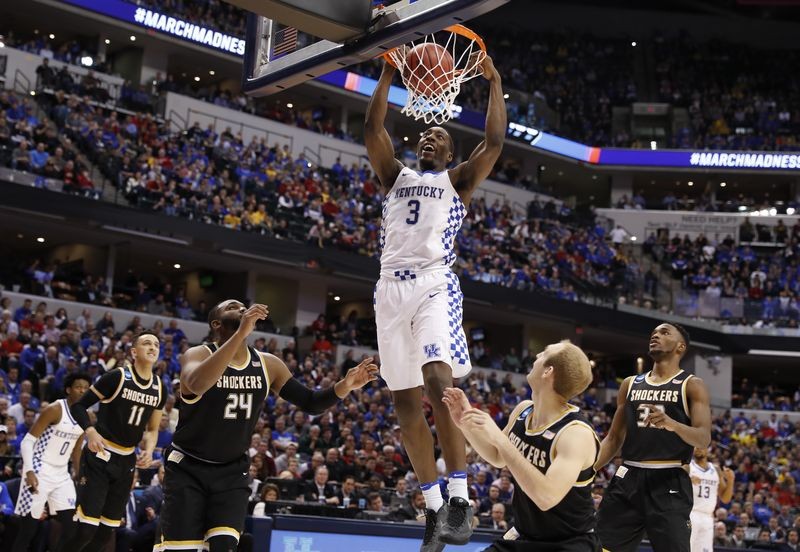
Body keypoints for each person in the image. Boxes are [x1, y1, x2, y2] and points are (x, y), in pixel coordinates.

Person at [364, 50, 506, 552]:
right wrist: (388, 72)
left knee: (438, 381)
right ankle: (433, 507)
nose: (430, 137)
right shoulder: (394, 176)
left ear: (450, 154)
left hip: (433, 284)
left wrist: (493, 82)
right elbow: (372, 128)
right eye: (426, 134)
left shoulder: (457, 181)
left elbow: (494, 141)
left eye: (440, 137)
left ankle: (462, 498)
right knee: (404, 403)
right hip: (389, 288)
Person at [155, 300, 377, 551]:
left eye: (242, 306)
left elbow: (311, 402)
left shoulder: (268, 364)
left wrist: (345, 386)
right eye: (231, 307)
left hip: (232, 472)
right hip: (188, 467)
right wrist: (240, 335)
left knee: (224, 545)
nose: (241, 308)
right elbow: (196, 384)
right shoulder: (197, 354)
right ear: (216, 324)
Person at [443, 340, 600, 551]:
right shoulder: (524, 409)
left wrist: (500, 438)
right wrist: (465, 424)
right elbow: (497, 456)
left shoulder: (576, 433)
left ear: (548, 371)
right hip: (525, 536)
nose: (537, 356)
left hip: (569, 543)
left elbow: (546, 497)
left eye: (544, 353)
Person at [595, 323, 712, 552]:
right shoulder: (630, 384)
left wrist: (672, 424)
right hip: (628, 475)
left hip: (669, 479)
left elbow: (703, 438)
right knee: (600, 548)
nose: (656, 335)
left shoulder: (692, 385)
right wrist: (587, 471)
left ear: (680, 347)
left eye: (664, 332)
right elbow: (614, 438)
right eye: (654, 333)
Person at [65, 331, 166, 552]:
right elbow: (79, 406)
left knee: (105, 533)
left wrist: (149, 450)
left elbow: (152, 429)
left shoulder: (160, 387)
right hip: (100, 455)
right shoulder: (117, 377)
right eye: (146, 343)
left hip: (127, 460)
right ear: (134, 352)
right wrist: (90, 431)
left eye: (156, 344)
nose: (152, 347)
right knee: (86, 529)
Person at [11, 372, 91, 552]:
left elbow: (76, 451)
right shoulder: (55, 409)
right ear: (68, 389)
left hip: (62, 473)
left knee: (71, 528)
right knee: (28, 530)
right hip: (39, 469)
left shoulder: (84, 415)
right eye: (78, 387)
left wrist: (80, 474)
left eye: (86, 388)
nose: (82, 391)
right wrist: (29, 471)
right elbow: (27, 442)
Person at [688, 447, 734, 552]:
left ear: (707, 449)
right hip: (690, 515)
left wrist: (731, 481)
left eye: (701, 446)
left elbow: (725, 499)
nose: (698, 448)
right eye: (695, 446)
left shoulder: (716, 469)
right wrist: (687, 479)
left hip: (708, 517)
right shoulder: (688, 467)